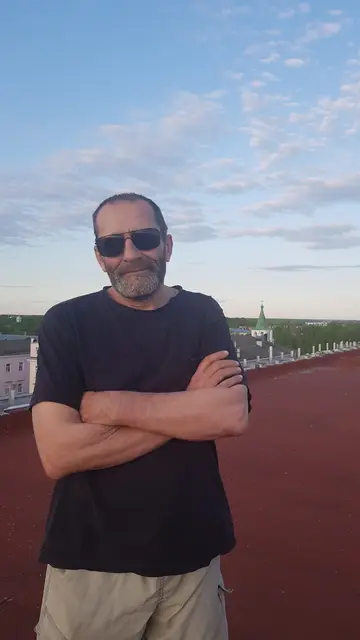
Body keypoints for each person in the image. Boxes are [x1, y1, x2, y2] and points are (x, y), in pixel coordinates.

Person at [31, 192, 252, 640]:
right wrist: (190, 406)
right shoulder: (67, 322)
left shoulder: (202, 312)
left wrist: (115, 407)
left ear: (167, 245)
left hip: (193, 554)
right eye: (112, 244)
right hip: (92, 561)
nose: (130, 254)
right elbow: (58, 454)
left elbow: (230, 415)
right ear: (100, 257)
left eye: (144, 238)